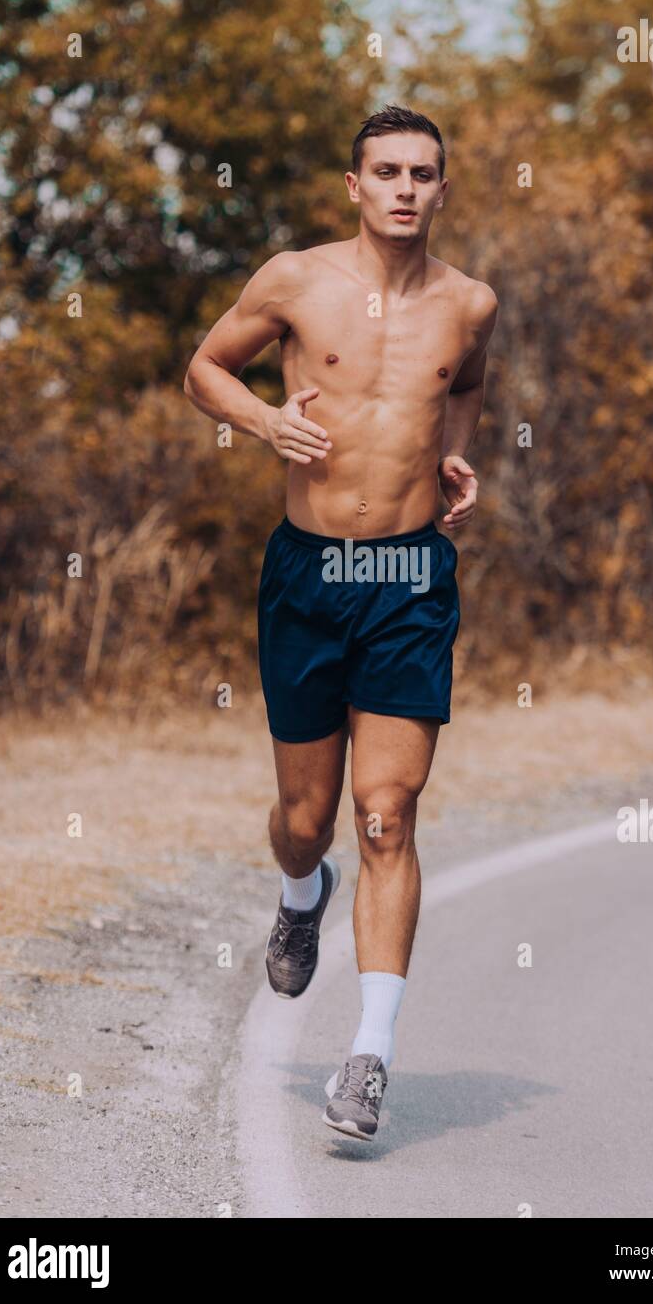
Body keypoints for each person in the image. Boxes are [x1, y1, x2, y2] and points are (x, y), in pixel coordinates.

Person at [183, 104, 498, 1140]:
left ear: (441, 190)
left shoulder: (468, 303)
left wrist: (454, 454)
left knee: (387, 812)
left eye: (422, 173)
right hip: (307, 575)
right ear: (352, 187)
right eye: (386, 171)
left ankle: (367, 1053)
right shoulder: (293, 279)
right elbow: (204, 369)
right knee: (308, 818)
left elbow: (466, 390)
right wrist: (263, 418)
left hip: (411, 577)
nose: (405, 187)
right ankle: (297, 884)